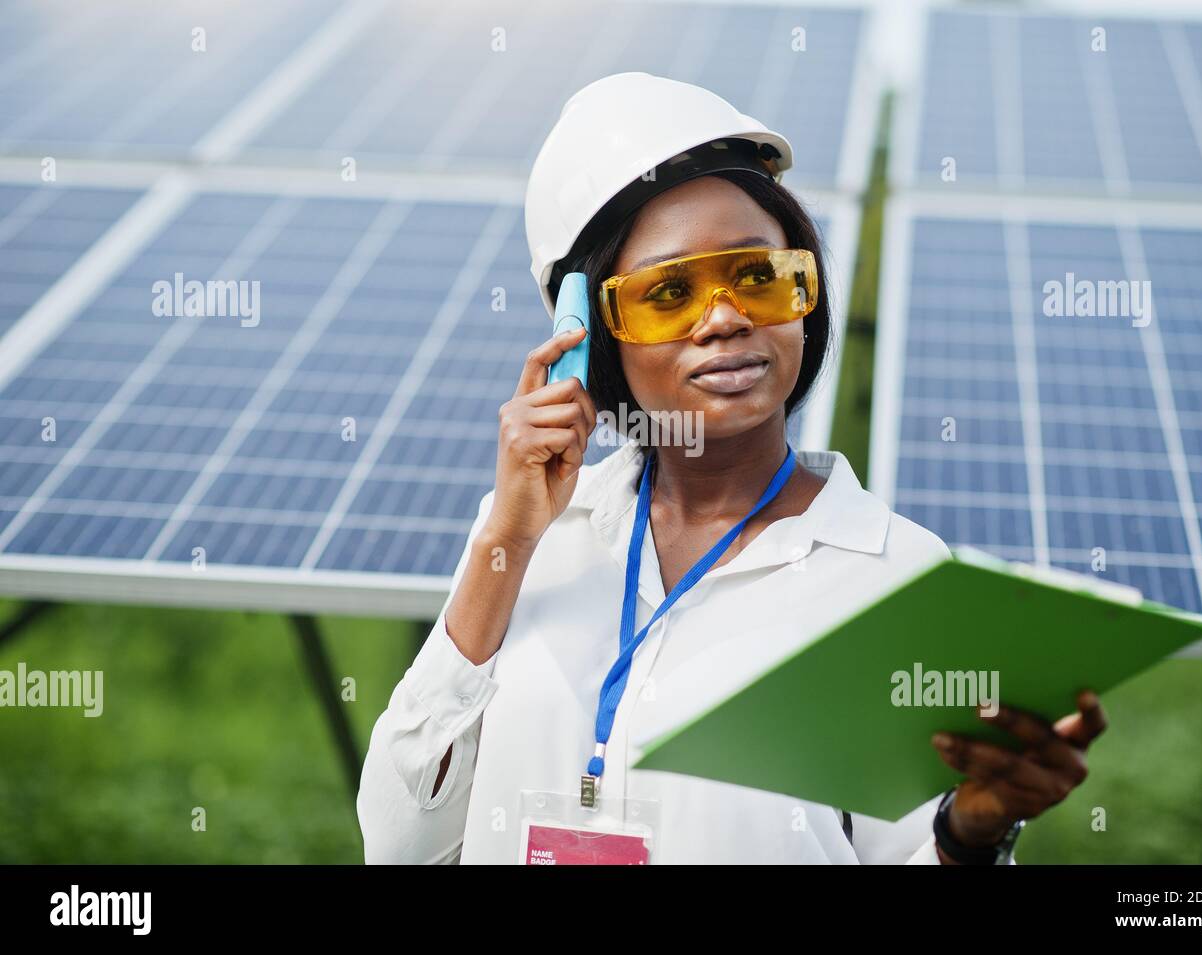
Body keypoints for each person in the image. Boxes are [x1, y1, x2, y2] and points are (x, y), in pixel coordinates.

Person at [357, 72, 1106, 864]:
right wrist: (507, 538)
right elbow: (399, 845)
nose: (724, 318)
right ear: (588, 331)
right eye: (669, 292)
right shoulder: (532, 539)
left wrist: (971, 831)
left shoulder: (900, 577)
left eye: (756, 275)